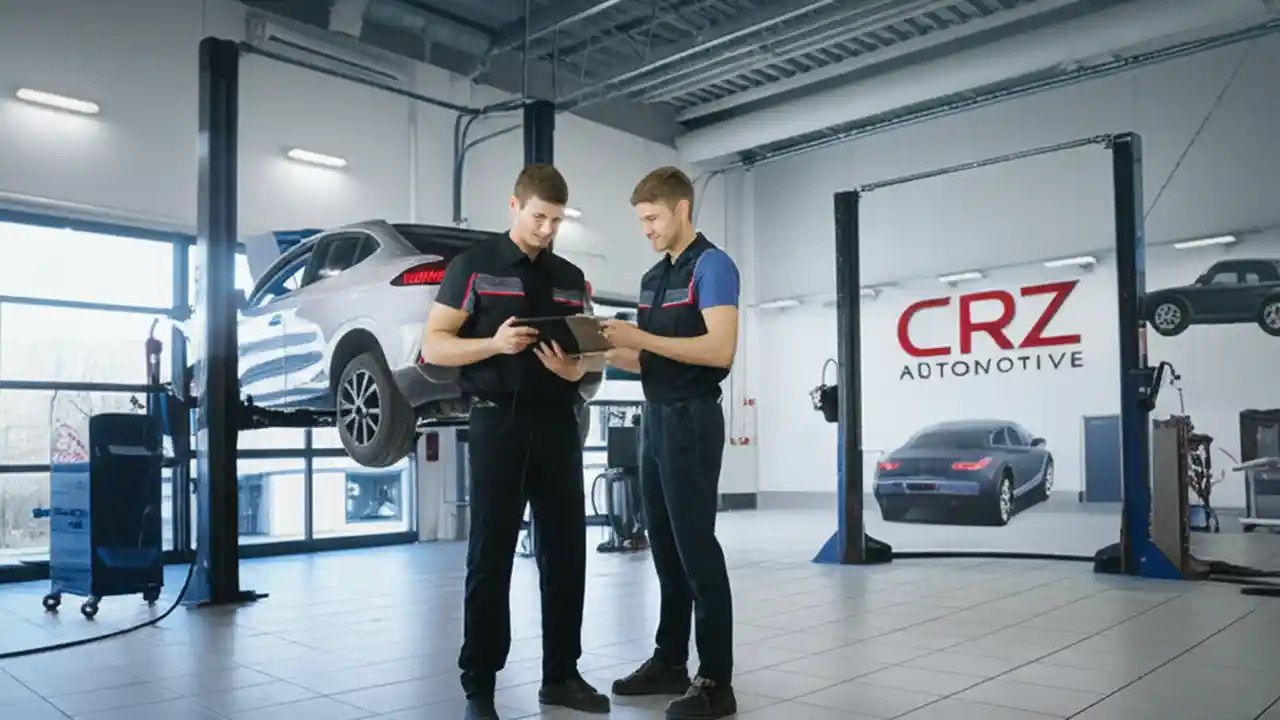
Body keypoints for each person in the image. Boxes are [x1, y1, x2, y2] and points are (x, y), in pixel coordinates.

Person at [421, 164, 610, 720]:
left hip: (559, 421)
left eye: (555, 220)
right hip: (496, 421)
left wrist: (579, 372)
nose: (547, 229)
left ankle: (562, 676)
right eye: (538, 217)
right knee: (491, 554)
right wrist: (494, 344)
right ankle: (479, 686)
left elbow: (594, 349)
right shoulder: (471, 268)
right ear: (513, 206)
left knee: (565, 552)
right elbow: (435, 346)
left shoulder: (570, 276)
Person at [601, 166, 740, 720]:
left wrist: (639, 337)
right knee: (662, 545)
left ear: (682, 209)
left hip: (692, 419)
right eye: (641, 221)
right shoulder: (652, 279)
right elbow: (643, 357)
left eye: (653, 218)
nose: (647, 230)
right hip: (654, 418)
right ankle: (669, 660)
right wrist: (591, 350)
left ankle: (716, 681)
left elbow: (720, 350)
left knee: (695, 547)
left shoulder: (714, 267)